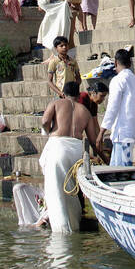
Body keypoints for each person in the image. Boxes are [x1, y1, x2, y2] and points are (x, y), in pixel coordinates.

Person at [40, 81, 108, 233]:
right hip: (76, 151)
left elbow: (44, 121)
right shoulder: (84, 111)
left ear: (63, 93)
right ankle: (74, 224)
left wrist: (49, 130)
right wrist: (103, 158)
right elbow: (92, 139)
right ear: (78, 95)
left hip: (58, 147)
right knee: (72, 190)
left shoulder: (56, 103)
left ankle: (61, 228)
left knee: (56, 190)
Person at [99, 49, 135, 168]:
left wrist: (102, 132)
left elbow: (112, 108)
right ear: (130, 64)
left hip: (122, 133)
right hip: (130, 132)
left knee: (121, 171)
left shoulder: (118, 80)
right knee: (117, 168)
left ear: (115, 63)